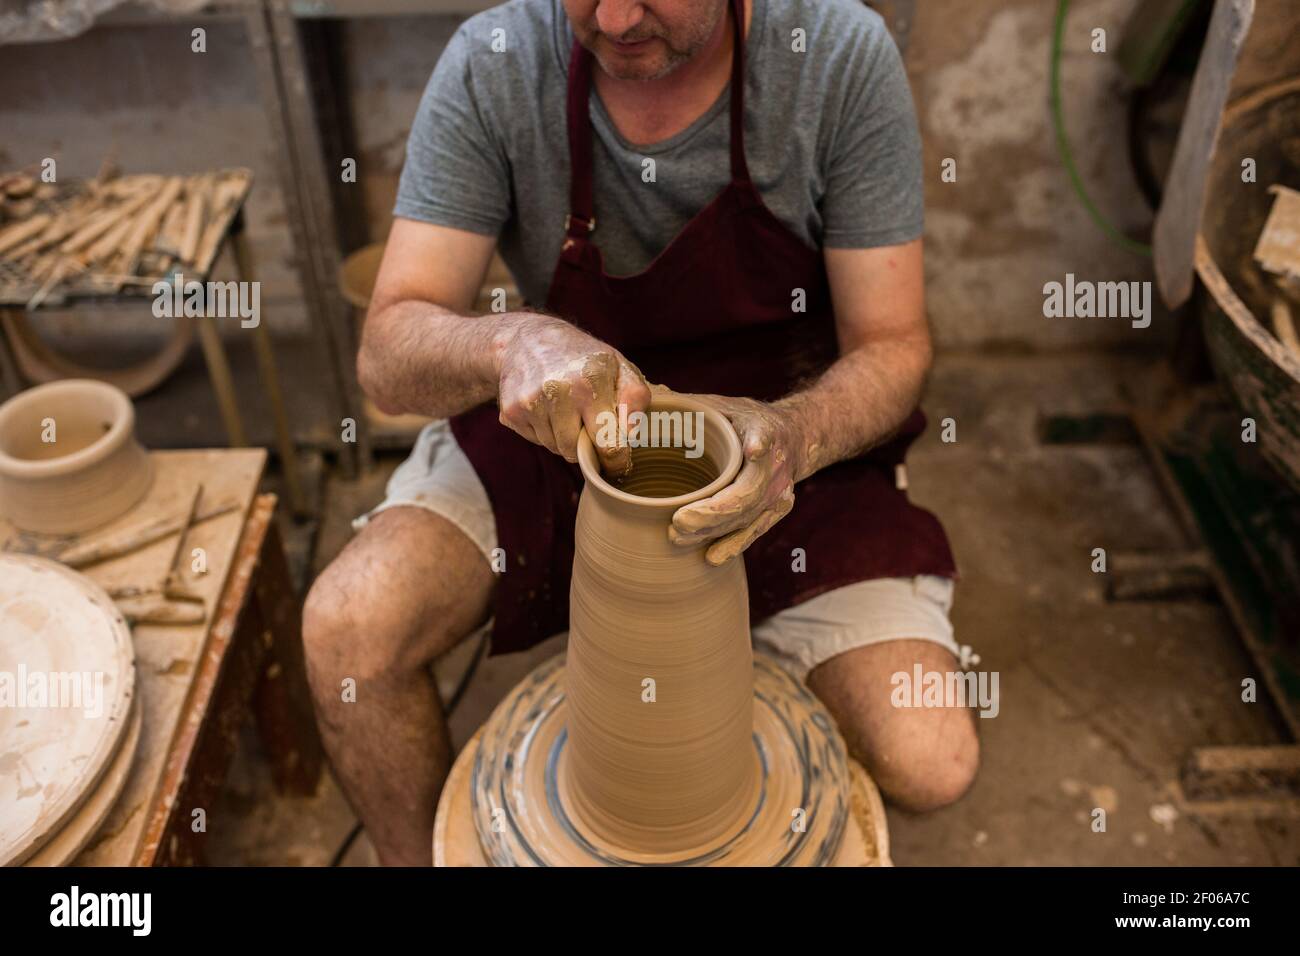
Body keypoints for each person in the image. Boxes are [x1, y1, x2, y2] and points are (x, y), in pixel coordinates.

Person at [304, 0, 978, 866]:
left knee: (932, 758)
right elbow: (388, 353)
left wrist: (797, 438)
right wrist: (510, 340)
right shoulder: (496, 60)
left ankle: (734, 695)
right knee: (346, 630)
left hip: (788, 441)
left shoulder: (836, 53)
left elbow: (893, 346)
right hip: (560, 428)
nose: (616, 16)